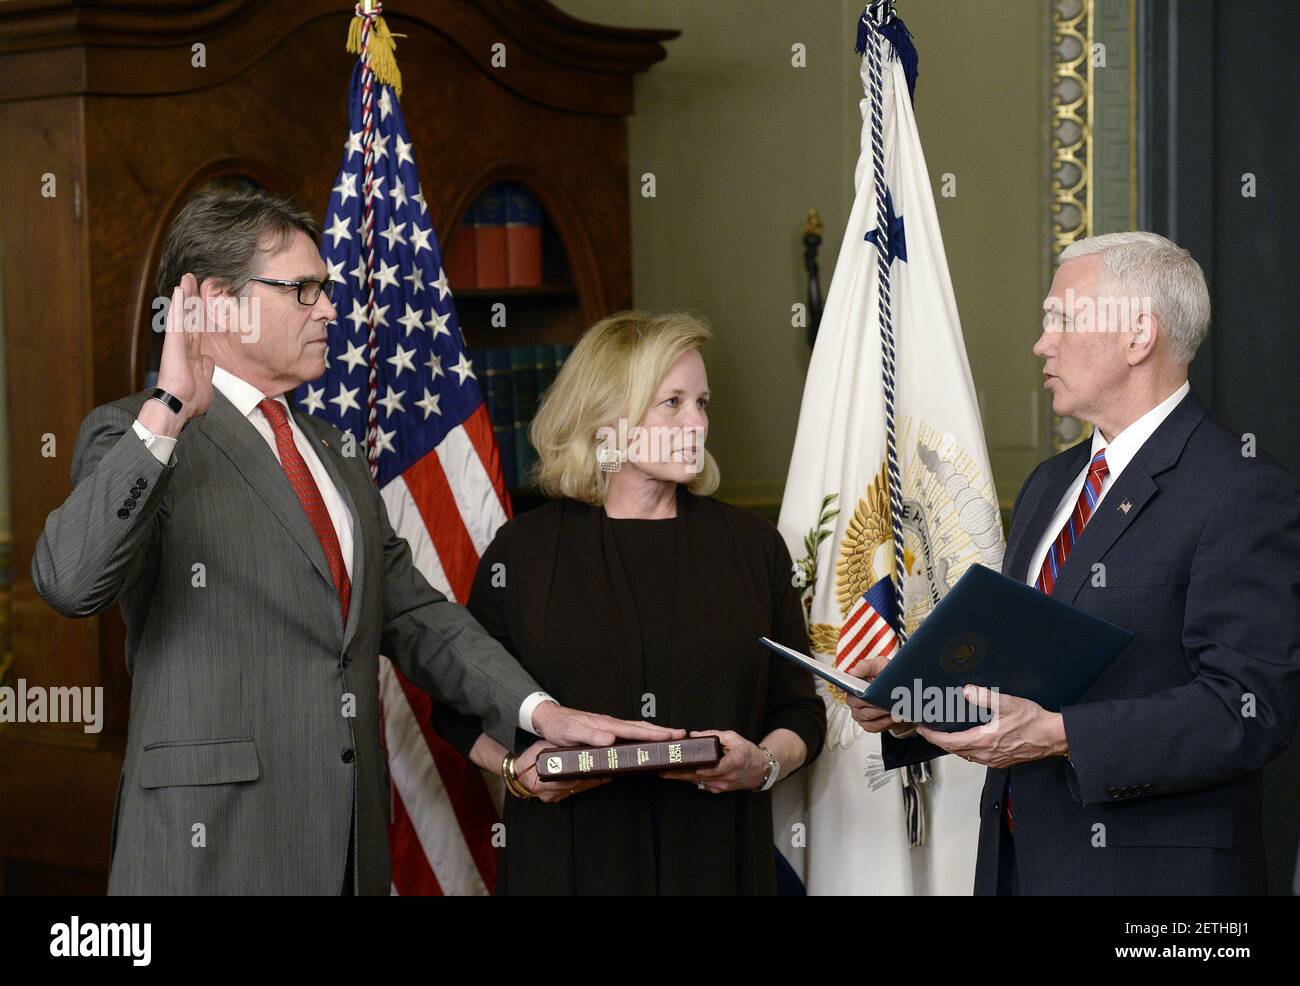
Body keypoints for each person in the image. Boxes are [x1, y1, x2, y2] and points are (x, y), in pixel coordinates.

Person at [30, 188, 679, 895]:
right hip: (213, 849)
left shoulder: (332, 449)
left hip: (351, 844)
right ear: (218, 301)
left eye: (327, 289)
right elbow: (70, 580)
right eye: (304, 290)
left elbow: (413, 615)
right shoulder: (140, 432)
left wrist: (537, 711)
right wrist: (171, 405)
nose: (330, 310)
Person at [848, 231, 1300, 895]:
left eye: (1062, 319)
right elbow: (1015, 674)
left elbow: (1249, 710)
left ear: (1138, 334)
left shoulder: (1241, 489)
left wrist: (1063, 736)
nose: (1042, 343)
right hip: (1015, 868)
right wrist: (917, 694)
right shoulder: (1049, 483)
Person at [431, 311, 826, 894]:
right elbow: (459, 707)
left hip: (719, 862)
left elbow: (801, 711)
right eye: (672, 403)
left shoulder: (751, 548)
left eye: (702, 402)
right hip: (566, 865)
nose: (696, 422)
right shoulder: (527, 551)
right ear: (607, 416)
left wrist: (762, 765)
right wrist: (518, 773)